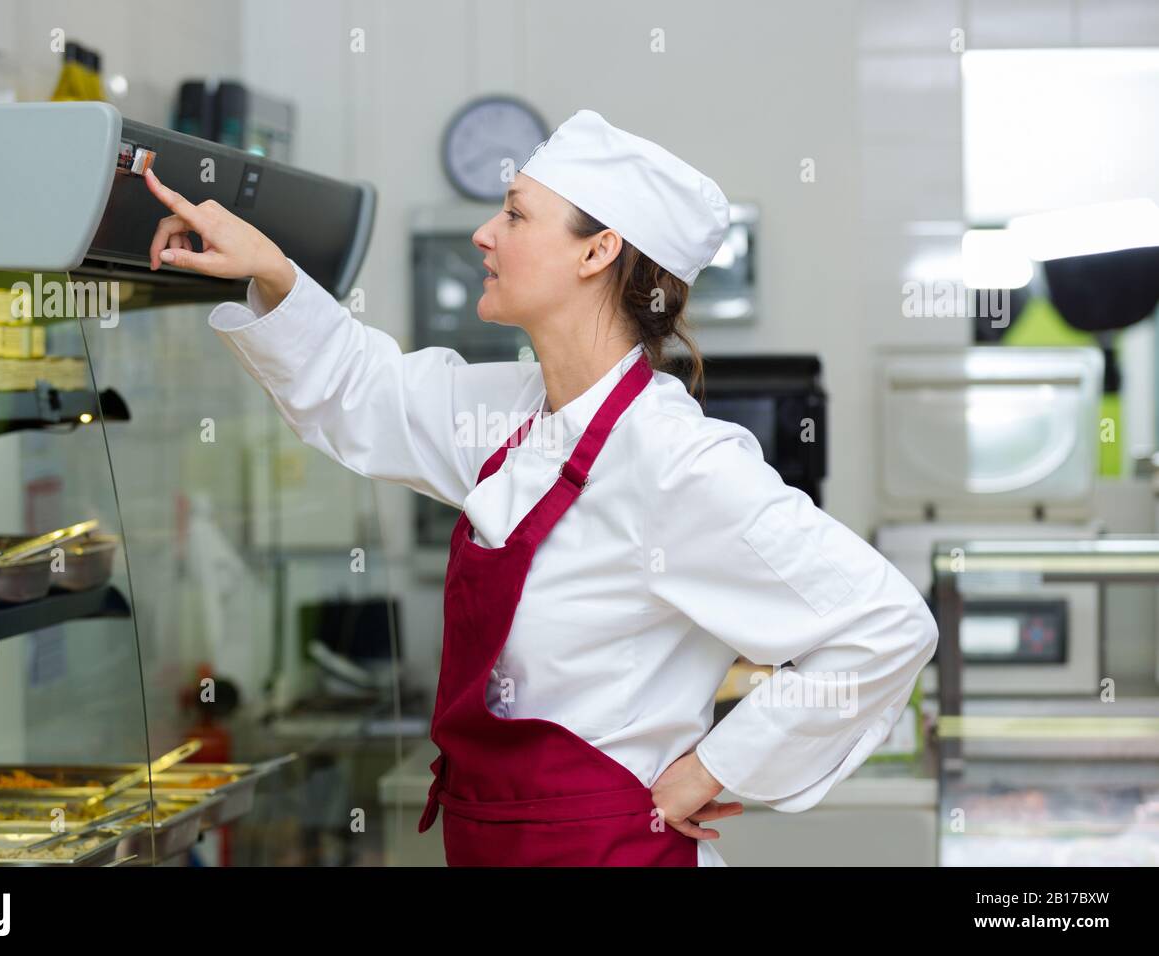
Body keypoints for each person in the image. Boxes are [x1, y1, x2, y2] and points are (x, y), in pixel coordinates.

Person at [144, 108, 939, 867]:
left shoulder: (674, 460)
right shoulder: (508, 412)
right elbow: (367, 393)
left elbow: (887, 627)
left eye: (516, 215)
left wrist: (717, 767)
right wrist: (271, 269)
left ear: (597, 253)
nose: (484, 235)